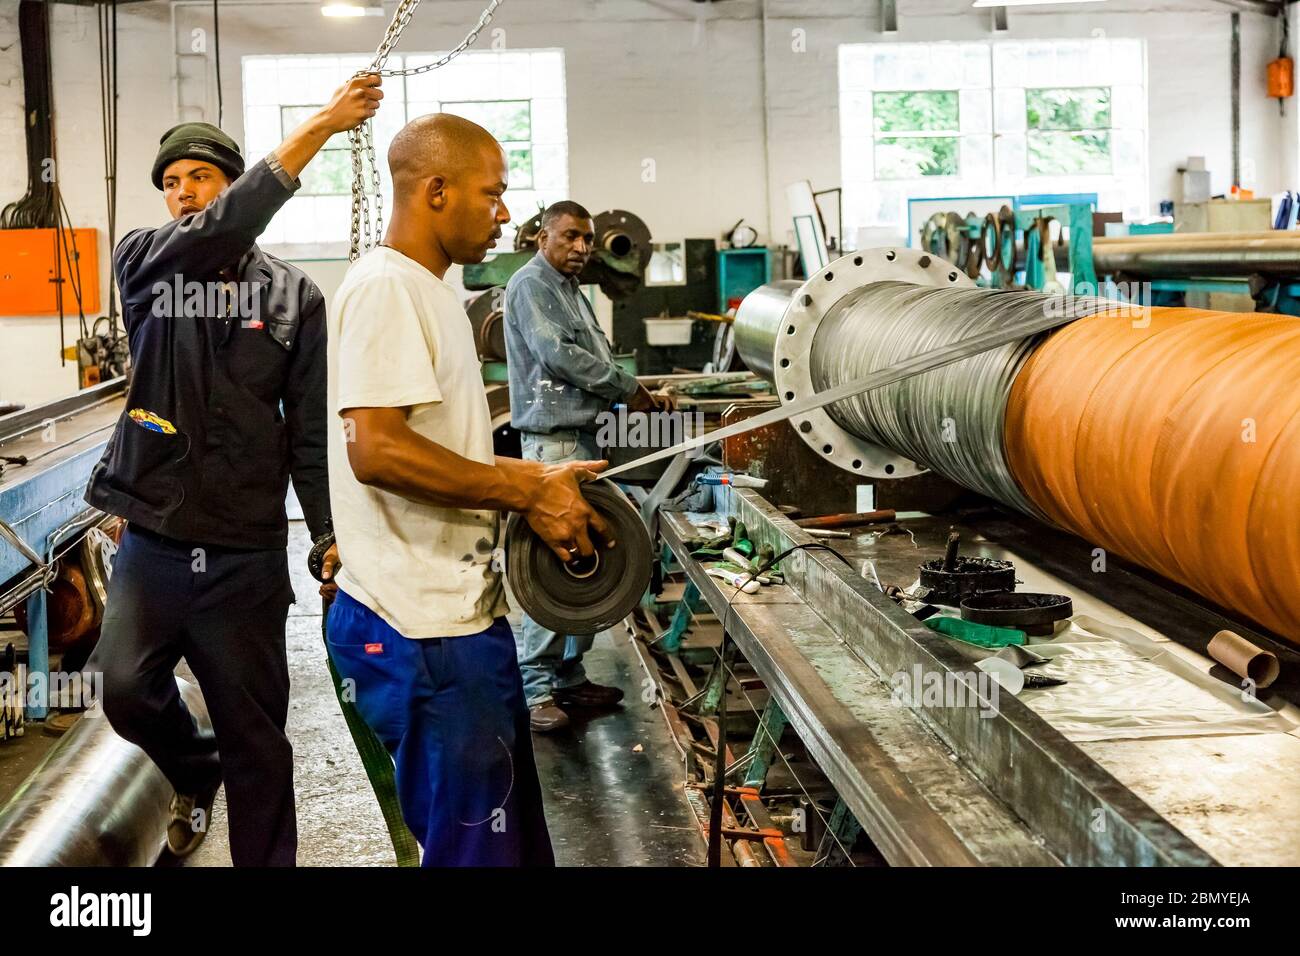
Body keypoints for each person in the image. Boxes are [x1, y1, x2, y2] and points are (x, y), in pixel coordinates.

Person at [83, 74, 382, 866]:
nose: (183, 195)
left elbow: (311, 432)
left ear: (228, 183)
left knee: (260, 738)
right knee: (122, 688)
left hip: (245, 551)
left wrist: (326, 534)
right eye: (172, 184)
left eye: (200, 179)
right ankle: (195, 768)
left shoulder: (294, 298)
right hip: (154, 531)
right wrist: (323, 123)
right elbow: (218, 232)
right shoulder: (149, 266)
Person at [325, 113, 613, 867]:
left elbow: (434, 449)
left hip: (453, 624)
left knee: (503, 849)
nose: (505, 214)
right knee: (476, 855)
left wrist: (531, 478)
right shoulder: (387, 288)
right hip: (420, 636)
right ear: (438, 190)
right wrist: (522, 494)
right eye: (494, 195)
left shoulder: (432, 291)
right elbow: (376, 450)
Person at [502, 201, 665, 732]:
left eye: (587, 240)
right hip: (555, 445)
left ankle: (568, 676)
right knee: (556, 569)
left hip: (584, 438)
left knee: (590, 566)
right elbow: (559, 356)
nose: (581, 248)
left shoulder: (570, 290)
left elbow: (589, 357)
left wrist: (632, 397)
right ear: (543, 237)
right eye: (570, 236)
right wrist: (628, 388)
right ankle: (535, 690)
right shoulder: (532, 285)